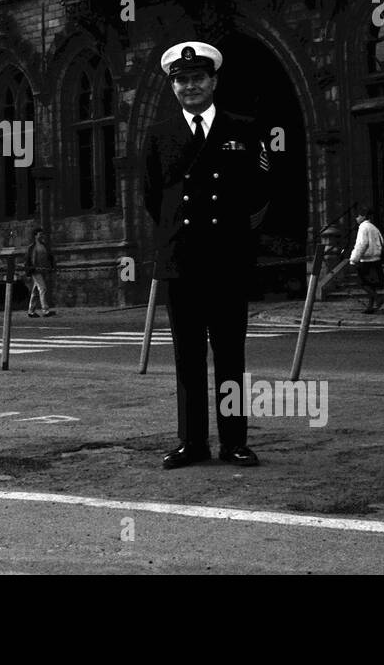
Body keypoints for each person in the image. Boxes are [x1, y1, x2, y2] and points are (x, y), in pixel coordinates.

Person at [143, 41, 270, 470]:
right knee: (188, 357)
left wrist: (236, 236)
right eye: (181, 80)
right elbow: (151, 198)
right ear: (173, 86)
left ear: (213, 81)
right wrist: (174, 238)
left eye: (197, 78)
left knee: (231, 355)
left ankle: (234, 442)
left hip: (227, 260)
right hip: (182, 261)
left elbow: (261, 192)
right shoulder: (159, 135)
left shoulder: (244, 128)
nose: (190, 86)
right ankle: (191, 442)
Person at [349, 209, 384, 314]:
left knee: (362, 282)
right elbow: (381, 241)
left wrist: (354, 259)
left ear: (363, 216)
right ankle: (370, 306)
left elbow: (362, 244)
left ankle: (378, 298)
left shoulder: (363, 227)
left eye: (358, 216)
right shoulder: (374, 227)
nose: (356, 218)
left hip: (366, 259)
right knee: (371, 284)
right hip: (376, 259)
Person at [25, 228, 57, 318]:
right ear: (35, 235)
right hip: (35, 271)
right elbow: (27, 260)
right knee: (43, 288)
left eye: (42, 234)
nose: (42, 236)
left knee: (35, 291)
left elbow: (50, 257)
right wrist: (28, 272)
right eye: (40, 234)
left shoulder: (44, 246)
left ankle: (31, 311)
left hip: (43, 271)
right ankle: (45, 310)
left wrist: (52, 267)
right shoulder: (31, 247)